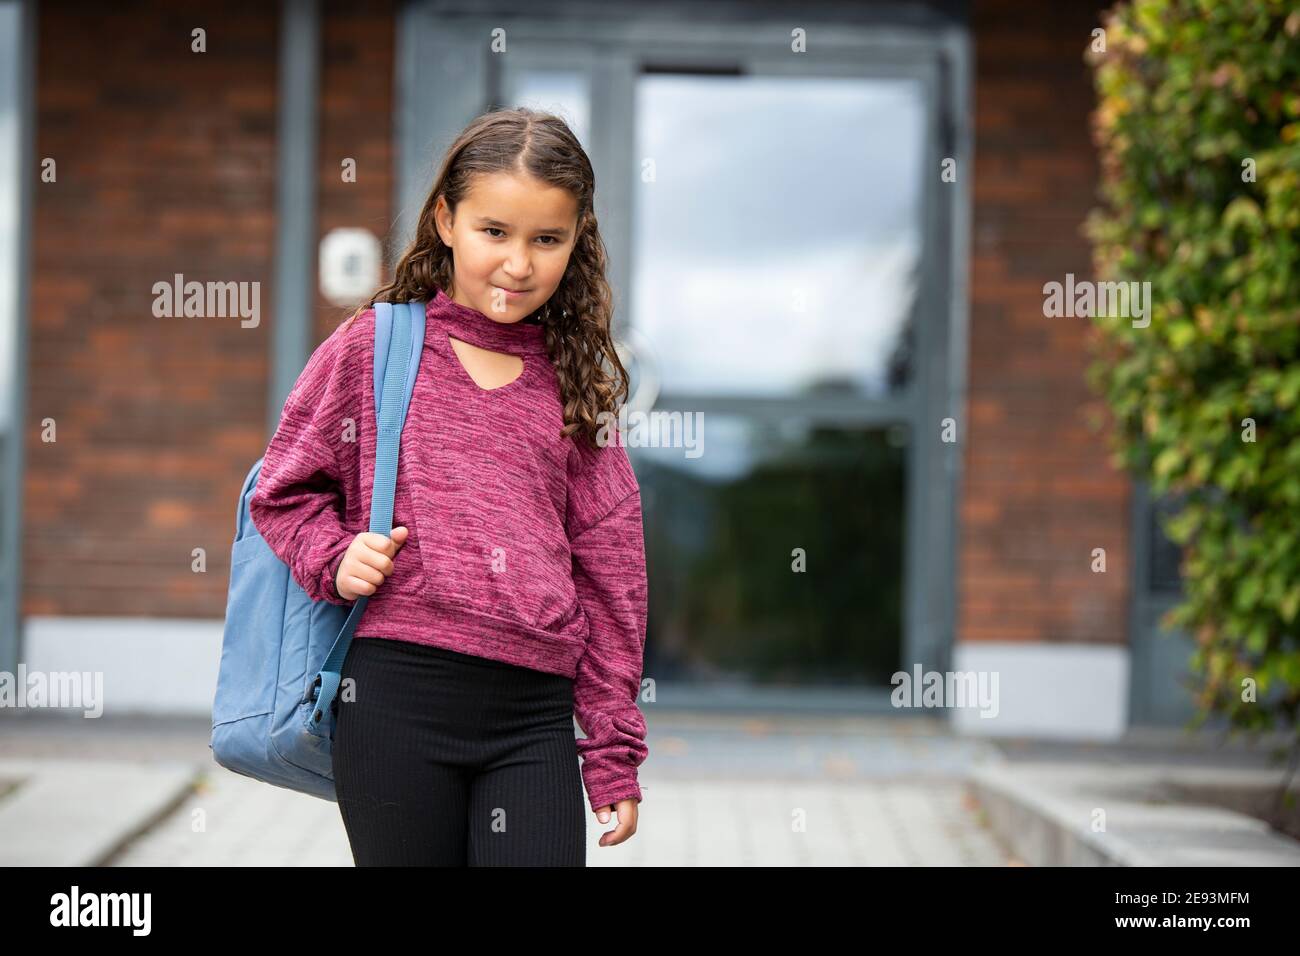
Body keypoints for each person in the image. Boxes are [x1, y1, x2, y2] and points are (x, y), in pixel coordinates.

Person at [247, 107, 648, 866]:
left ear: (577, 241)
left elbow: (613, 580)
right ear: (446, 221)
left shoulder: (576, 386)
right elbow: (283, 489)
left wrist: (612, 749)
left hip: (532, 717)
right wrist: (333, 557)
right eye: (494, 232)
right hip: (393, 701)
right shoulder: (376, 346)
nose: (519, 263)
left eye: (546, 239)